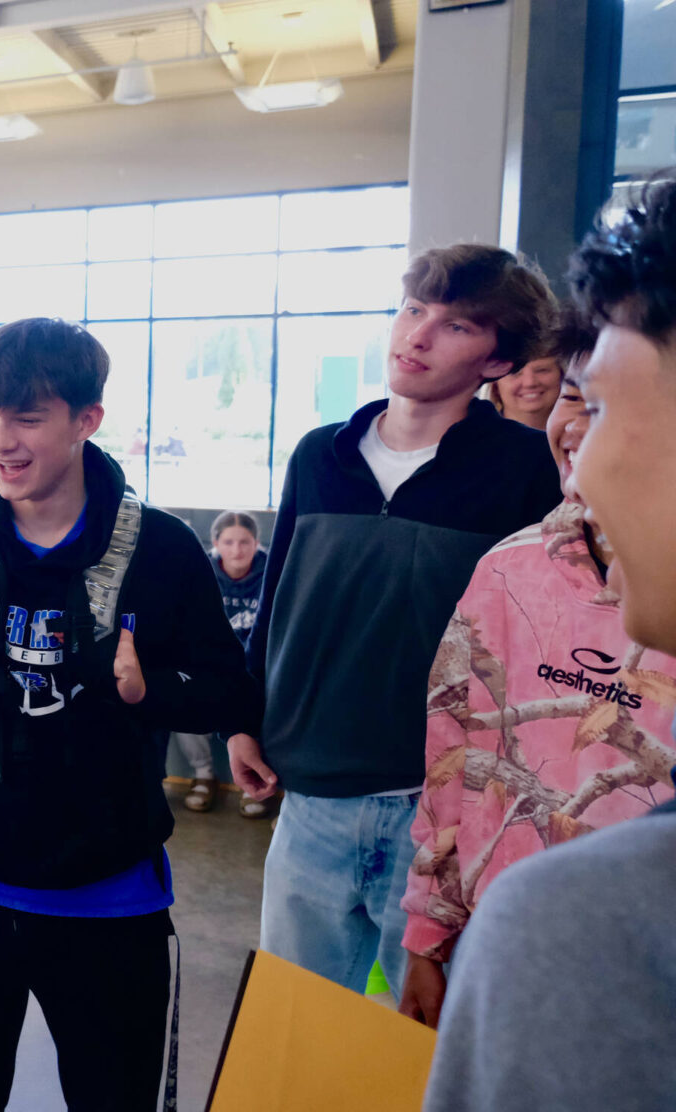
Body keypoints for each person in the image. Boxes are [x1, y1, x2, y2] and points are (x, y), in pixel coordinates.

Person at [0, 318, 257, 1111]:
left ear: (87, 420)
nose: (0, 442)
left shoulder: (165, 549)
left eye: (27, 418)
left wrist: (152, 692)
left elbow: (228, 690)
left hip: (109, 897)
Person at [226, 244, 563, 995]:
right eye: (414, 310)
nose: (416, 334)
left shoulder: (524, 469)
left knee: (413, 1043)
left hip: (439, 809)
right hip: (310, 791)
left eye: (456, 325)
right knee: (291, 1023)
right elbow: (278, 602)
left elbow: (536, 638)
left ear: (497, 362)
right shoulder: (321, 455)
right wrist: (243, 717)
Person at [423, 174, 676, 1112]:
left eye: (603, 407)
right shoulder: (511, 568)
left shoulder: (586, 929)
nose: (575, 453)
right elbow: (459, 741)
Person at [174, 510, 270, 817]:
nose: (237, 550)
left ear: (257, 543)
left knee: (265, 699)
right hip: (214, 663)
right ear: (216, 543)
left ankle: (252, 782)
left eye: (245, 542)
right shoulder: (200, 572)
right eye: (228, 542)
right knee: (185, 694)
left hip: (258, 666)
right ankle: (204, 776)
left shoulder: (273, 573)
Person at [486, 352, 562, 430]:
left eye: (542, 370)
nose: (530, 383)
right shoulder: (476, 438)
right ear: (495, 383)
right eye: (515, 373)